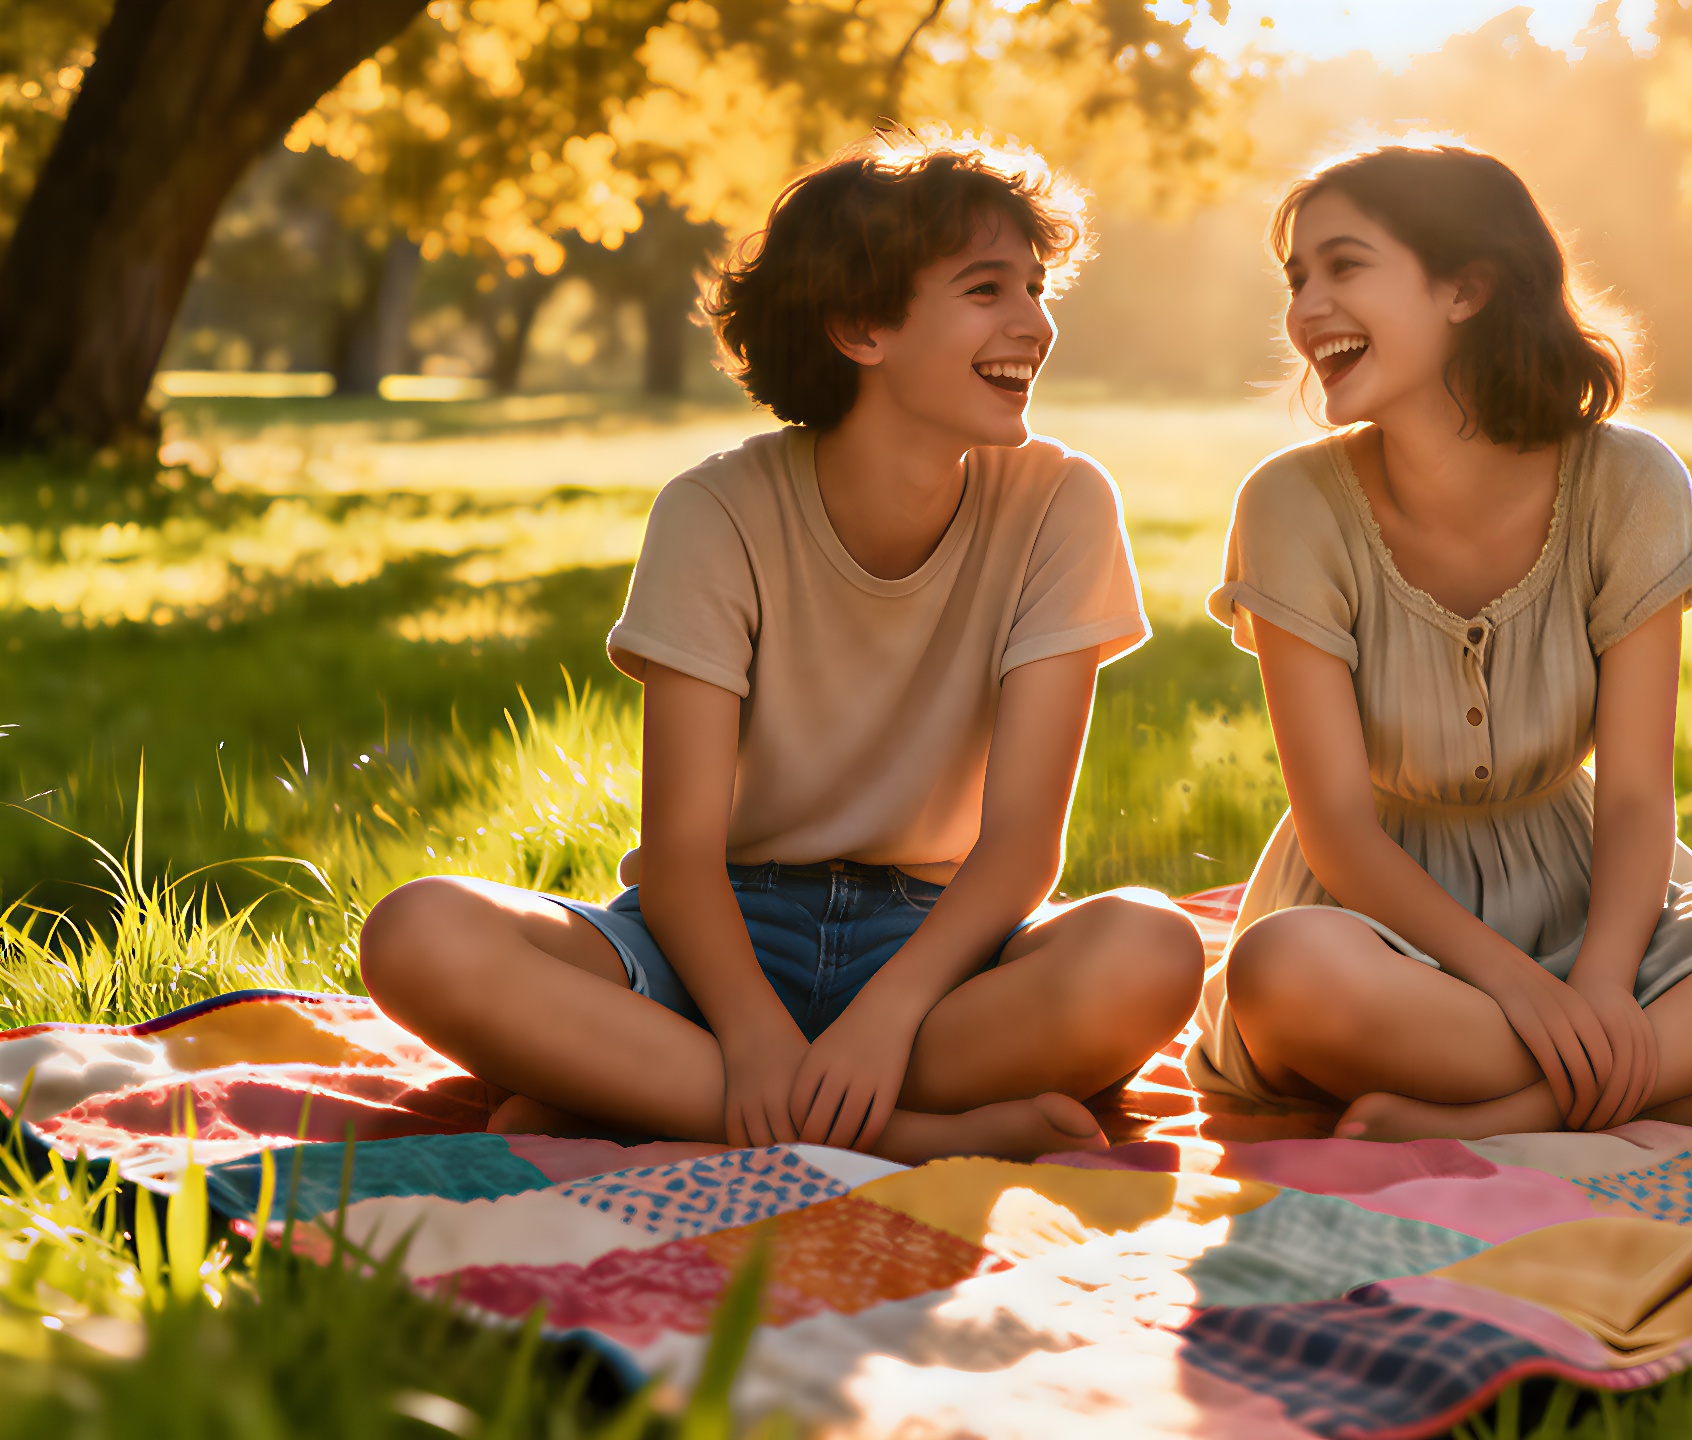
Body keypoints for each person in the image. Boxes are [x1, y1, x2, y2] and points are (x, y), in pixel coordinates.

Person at [361, 135, 1204, 1162]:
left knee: (1153, 949)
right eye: (988, 291)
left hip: (936, 950)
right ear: (860, 328)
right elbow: (677, 857)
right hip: (714, 940)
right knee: (417, 931)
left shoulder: (1063, 503)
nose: (1036, 324)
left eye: (1036, 287)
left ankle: (642, 1095)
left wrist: (885, 1018)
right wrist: (755, 1033)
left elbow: (1022, 844)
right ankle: (890, 1133)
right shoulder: (715, 509)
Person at [1189, 143, 1692, 1142]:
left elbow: (1641, 790)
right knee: (1277, 971)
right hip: (1380, 927)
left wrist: (1601, 985)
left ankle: (1517, 1107)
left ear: (1465, 289)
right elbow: (1337, 827)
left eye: (1344, 267)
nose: (1306, 309)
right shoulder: (1289, 505)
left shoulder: (1630, 484)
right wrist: (1521, 989)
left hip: (1600, 909)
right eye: (1296, 279)